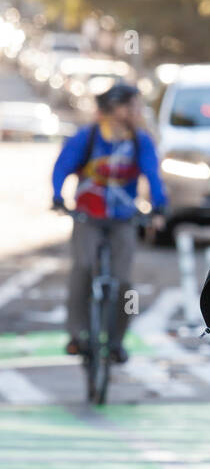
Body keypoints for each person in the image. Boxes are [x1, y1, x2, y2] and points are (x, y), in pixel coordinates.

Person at [51, 82, 167, 363]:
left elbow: (153, 176)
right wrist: (57, 196)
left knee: (124, 282)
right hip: (88, 216)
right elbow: (62, 167)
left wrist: (159, 208)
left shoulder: (140, 141)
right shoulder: (87, 137)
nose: (137, 111)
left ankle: (116, 342)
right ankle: (77, 335)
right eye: (132, 106)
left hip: (123, 219)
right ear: (115, 109)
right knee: (83, 267)